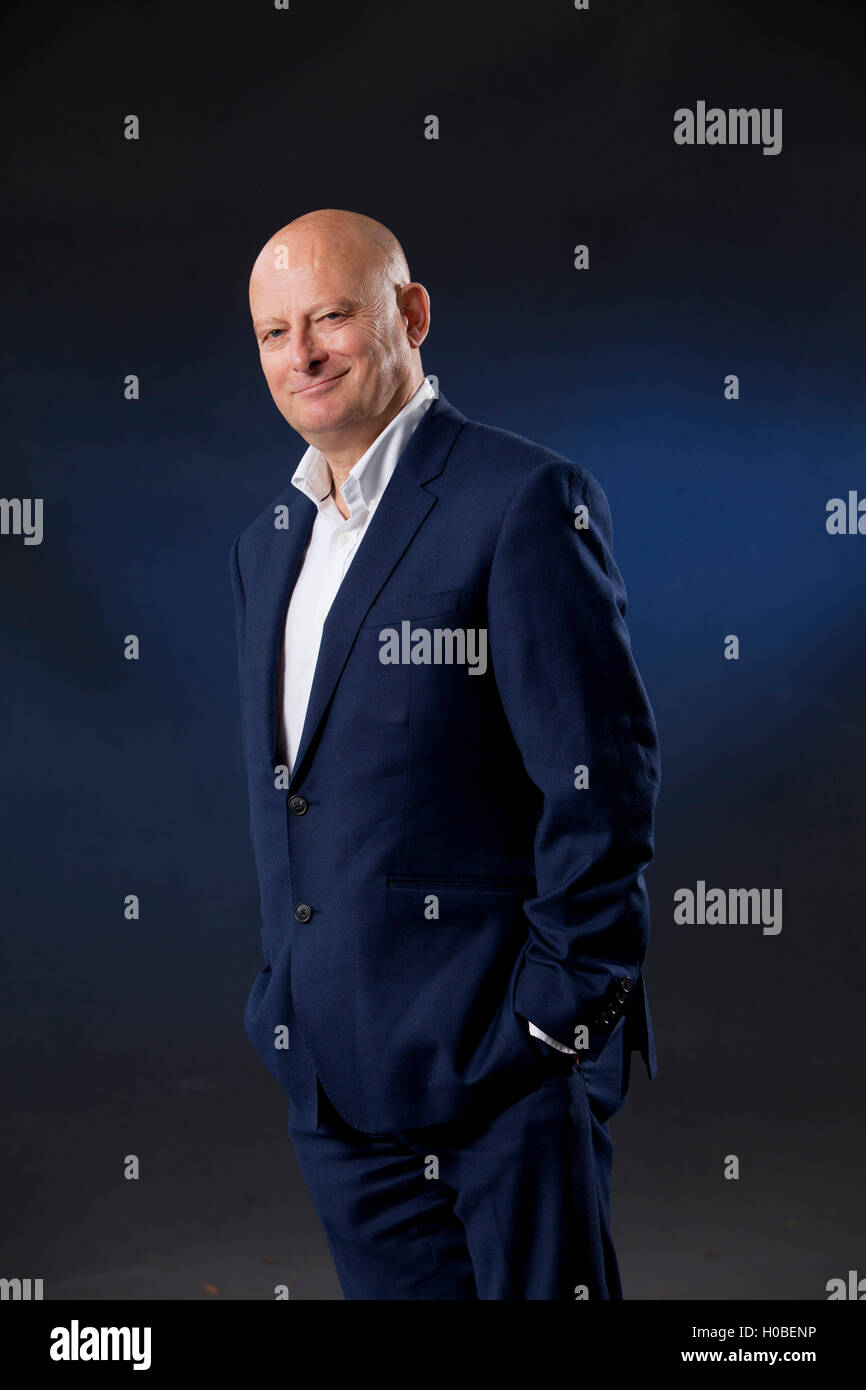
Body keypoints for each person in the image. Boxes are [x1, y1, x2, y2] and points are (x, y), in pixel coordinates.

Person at [230, 208, 660, 1300]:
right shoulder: (268, 543)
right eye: (276, 333)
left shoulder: (519, 501)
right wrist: (283, 1002)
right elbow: (299, 799)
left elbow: (600, 778)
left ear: (409, 314)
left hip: (498, 1076)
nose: (303, 355)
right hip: (334, 1079)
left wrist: (552, 1019)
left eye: (329, 317)